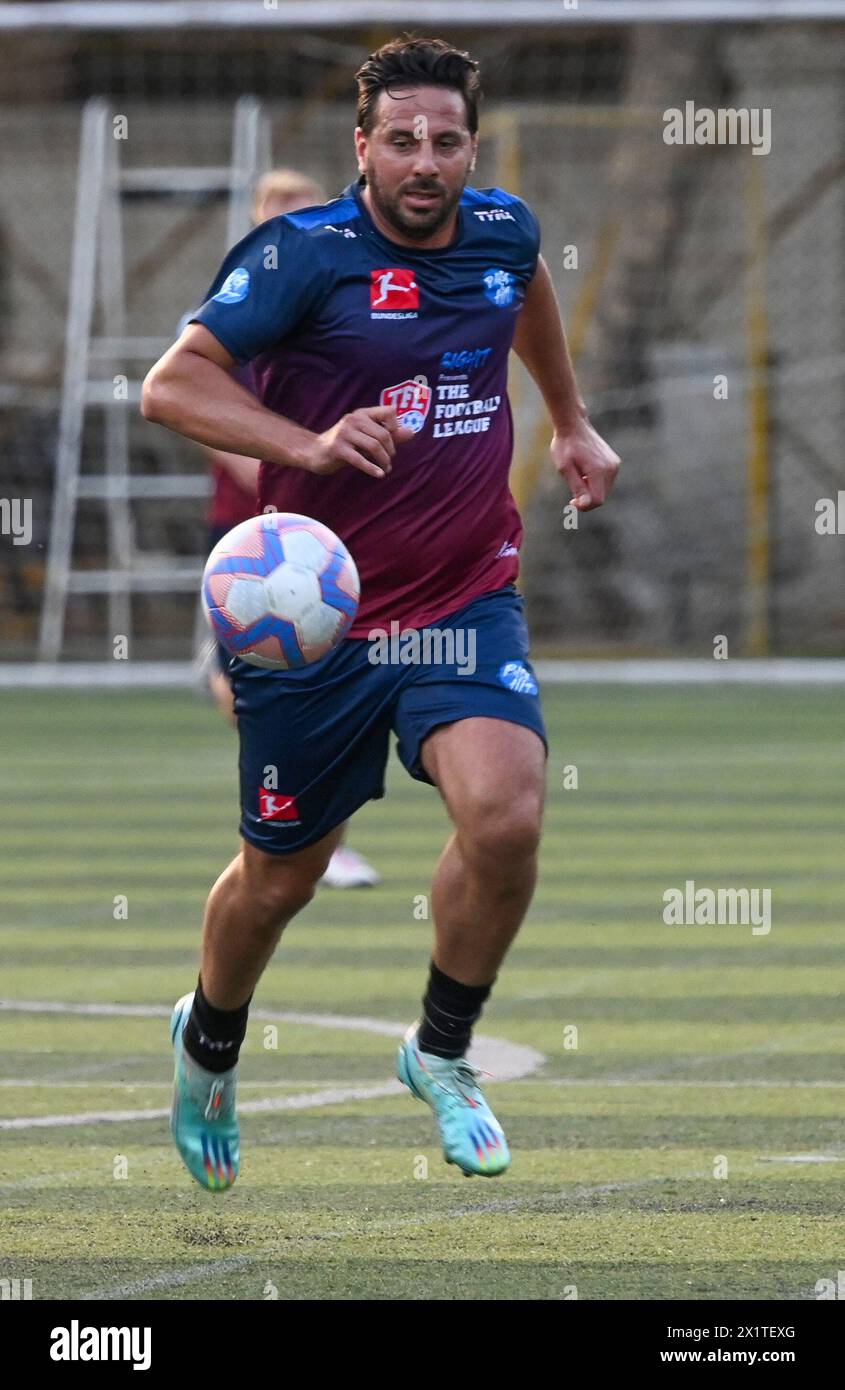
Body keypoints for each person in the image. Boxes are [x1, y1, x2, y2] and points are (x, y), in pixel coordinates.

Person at [143, 35, 620, 1191]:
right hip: (319, 622)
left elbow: (528, 287)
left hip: (463, 598)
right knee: (279, 880)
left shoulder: (502, 231)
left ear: (471, 145)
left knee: (505, 818)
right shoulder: (301, 256)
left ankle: (440, 1052)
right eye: (399, 140)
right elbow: (174, 384)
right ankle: (207, 1046)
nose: (424, 161)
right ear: (361, 146)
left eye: (444, 140)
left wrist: (566, 417)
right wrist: (306, 442)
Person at [202, 168, 380, 890]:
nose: (291, 225)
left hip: (333, 532)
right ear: (256, 219)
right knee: (257, 686)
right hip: (249, 534)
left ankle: (321, 837)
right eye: (278, 211)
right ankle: (292, 826)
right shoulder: (237, 303)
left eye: (303, 210)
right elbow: (195, 399)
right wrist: (276, 469)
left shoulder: (348, 296)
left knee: (333, 685)